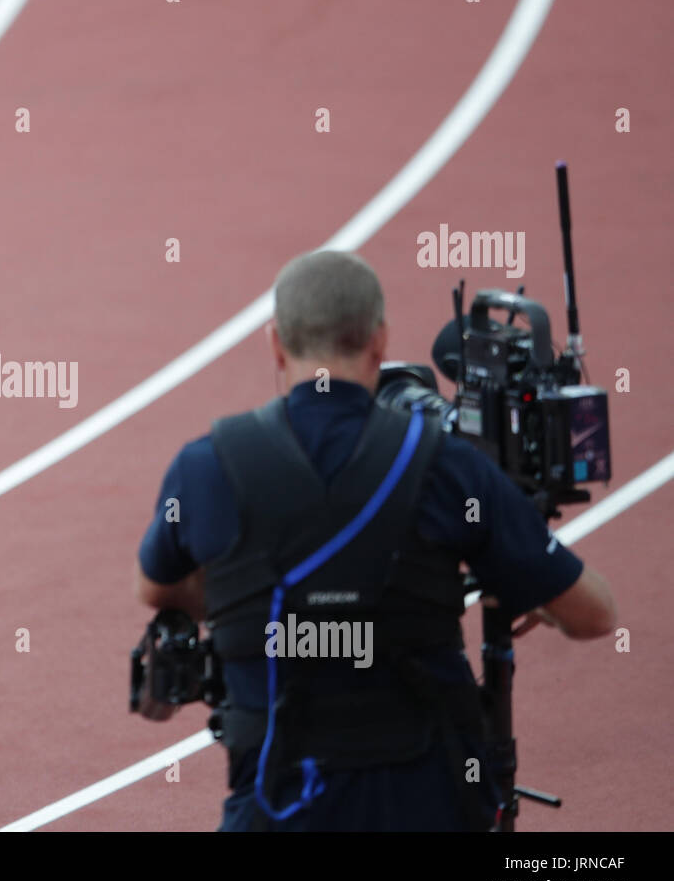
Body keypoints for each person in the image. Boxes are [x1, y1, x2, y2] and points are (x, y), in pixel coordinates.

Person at [134, 250, 615, 831]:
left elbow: (155, 587)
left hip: (276, 801)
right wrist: (518, 585)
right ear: (380, 342)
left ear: (276, 344)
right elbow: (594, 616)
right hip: (424, 800)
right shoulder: (446, 465)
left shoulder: (205, 467)